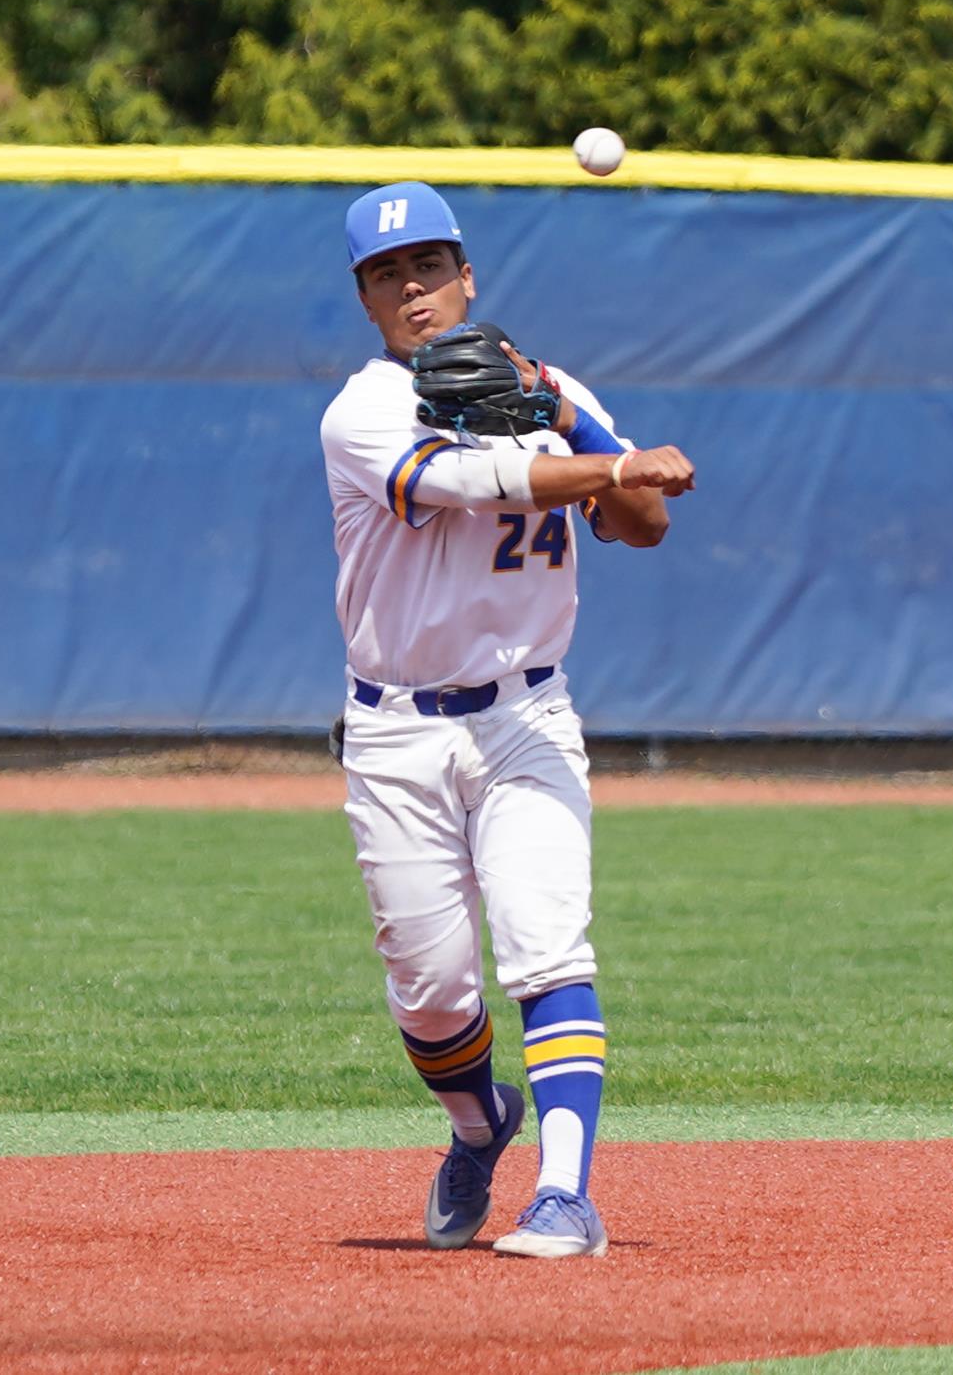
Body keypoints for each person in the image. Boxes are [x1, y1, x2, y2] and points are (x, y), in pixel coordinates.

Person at [319, 181, 695, 1258]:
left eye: (429, 266)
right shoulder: (363, 412)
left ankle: (566, 1195)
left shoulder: (550, 391)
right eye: (388, 275)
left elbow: (645, 521)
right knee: (432, 999)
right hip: (396, 733)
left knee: (546, 944)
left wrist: (567, 411)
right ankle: (482, 1124)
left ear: (467, 276)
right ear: (365, 298)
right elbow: (474, 479)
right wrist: (607, 458)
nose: (413, 289)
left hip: (528, 715)